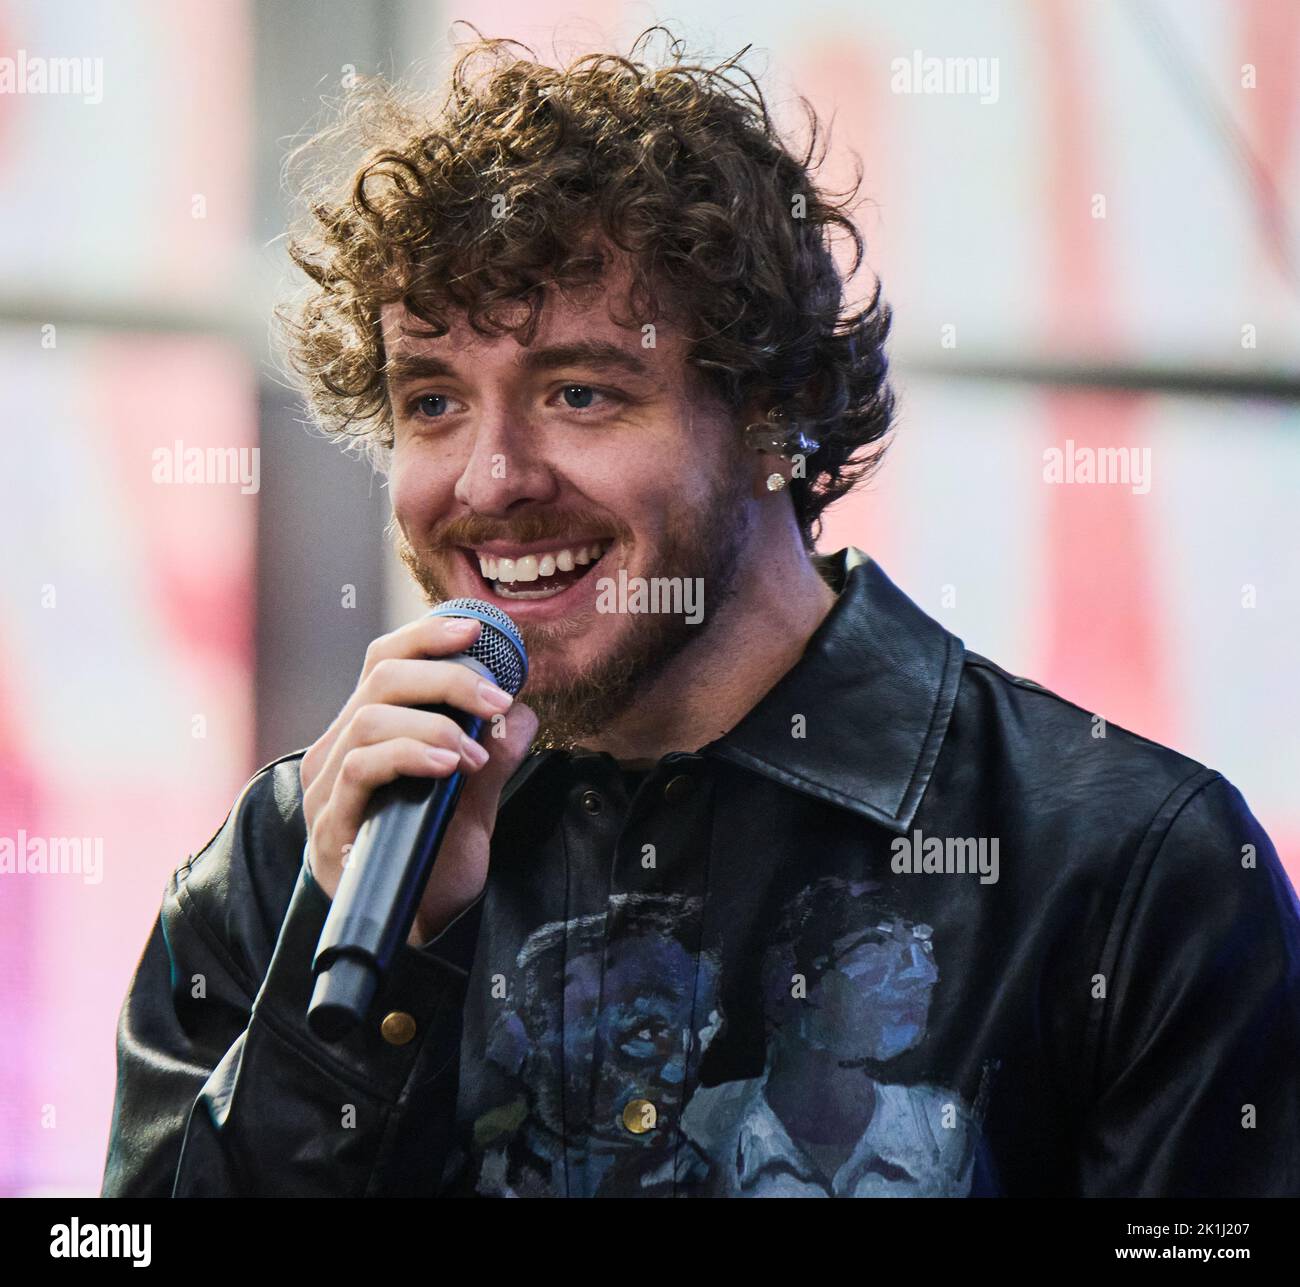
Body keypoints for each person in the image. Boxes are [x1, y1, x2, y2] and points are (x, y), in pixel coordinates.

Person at [101, 29, 1300, 1199]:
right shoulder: (290, 860)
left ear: (775, 418)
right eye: (431, 402)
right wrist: (371, 974)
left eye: (578, 392)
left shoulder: (1130, 869)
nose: (488, 480)